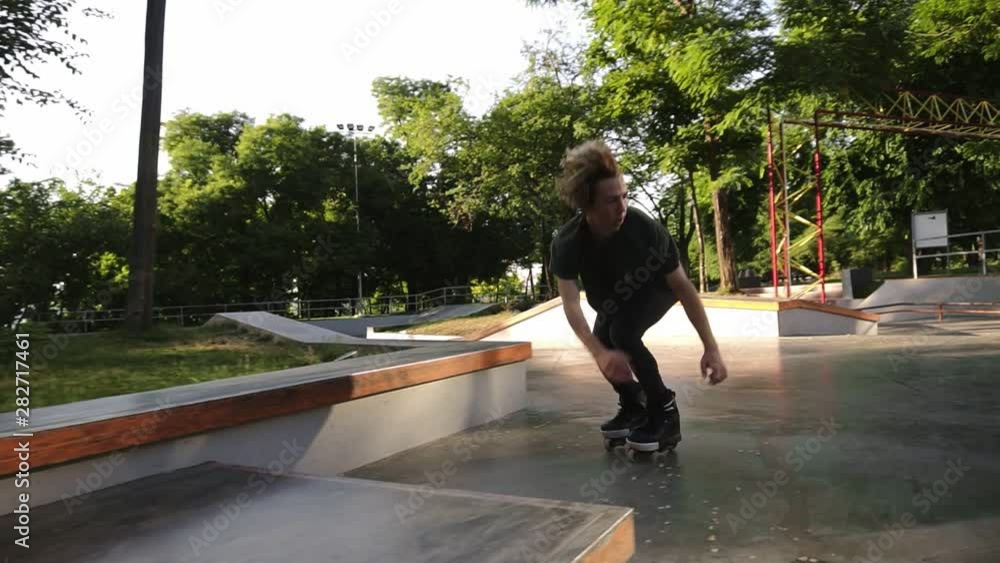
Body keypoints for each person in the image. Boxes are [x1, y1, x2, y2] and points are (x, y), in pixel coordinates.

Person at [549, 140, 728, 452]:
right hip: (615, 301)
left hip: (656, 291)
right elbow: (570, 303)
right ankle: (635, 405)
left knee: (622, 333)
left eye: (624, 197)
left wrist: (711, 348)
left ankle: (666, 412)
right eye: (610, 201)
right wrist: (599, 353)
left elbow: (684, 288)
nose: (622, 208)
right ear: (587, 206)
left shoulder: (644, 229)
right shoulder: (567, 242)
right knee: (602, 340)